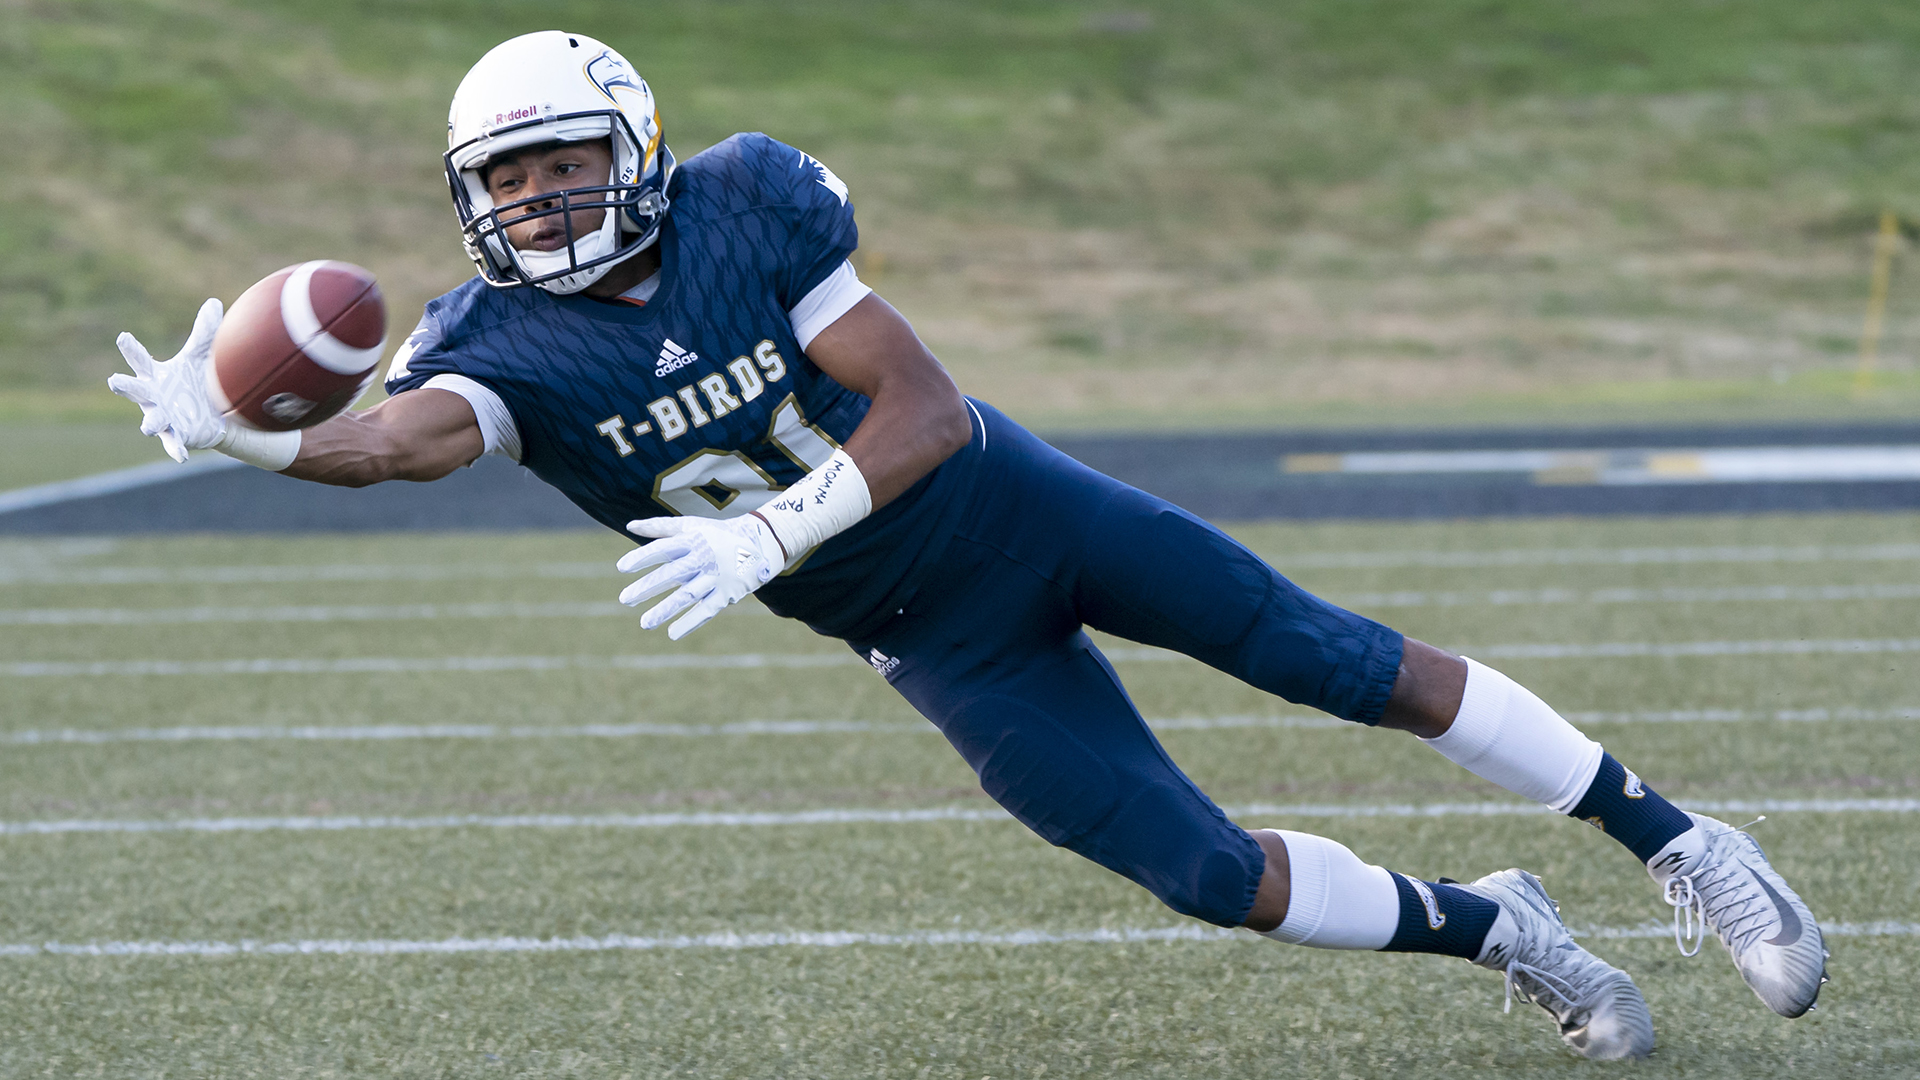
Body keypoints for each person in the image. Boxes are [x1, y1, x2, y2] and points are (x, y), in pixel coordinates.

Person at [109, 30, 1828, 1060]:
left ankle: (1676, 839)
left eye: (565, 166)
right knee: (1202, 875)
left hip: (1018, 510)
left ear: (633, 145)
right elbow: (399, 444)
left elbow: (921, 406)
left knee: (1337, 660)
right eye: (512, 182)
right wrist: (258, 437)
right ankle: (1502, 930)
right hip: (937, 639)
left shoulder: (750, 201)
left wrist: (775, 529)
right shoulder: (493, 341)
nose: (542, 205)